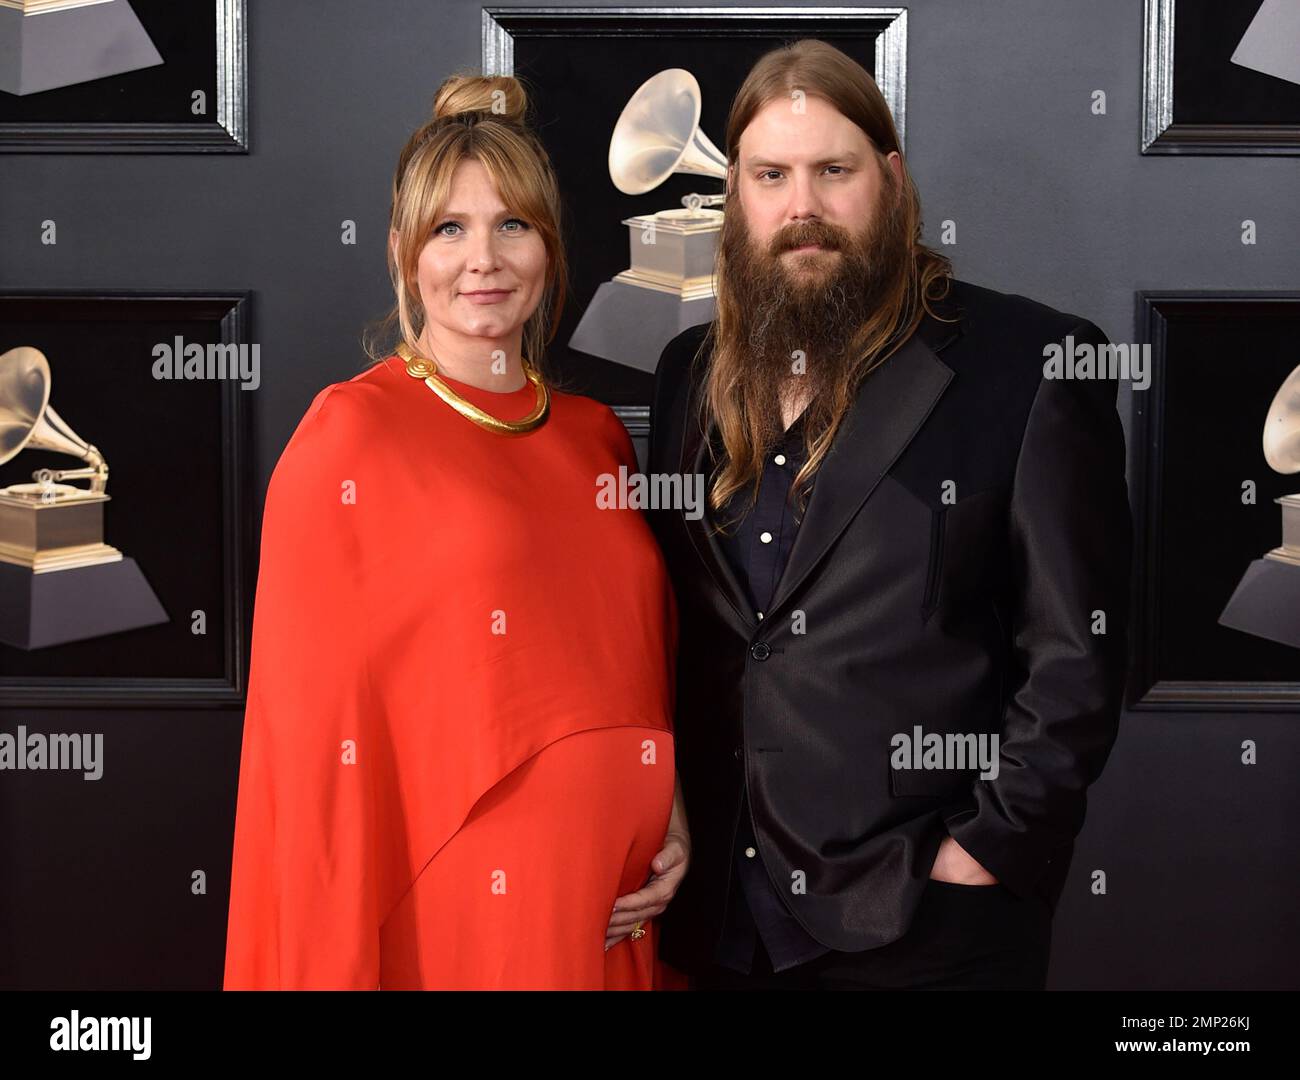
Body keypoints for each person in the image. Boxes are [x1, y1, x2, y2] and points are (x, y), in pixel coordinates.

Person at [646, 39, 1132, 989]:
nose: (803, 208)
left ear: (893, 179)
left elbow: (1079, 654)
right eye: (771, 175)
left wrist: (984, 854)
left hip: (925, 924)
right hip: (714, 925)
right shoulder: (686, 377)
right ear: (736, 196)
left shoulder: (1030, 363)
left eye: (835, 171)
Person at [223, 73, 690, 990]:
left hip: (615, 905)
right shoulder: (351, 434)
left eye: (512, 225)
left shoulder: (596, 435)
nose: (485, 258)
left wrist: (668, 807)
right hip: (460, 912)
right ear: (404, 253)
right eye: (451, 228)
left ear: (552, 249)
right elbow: (310, 746)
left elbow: (626, 657)